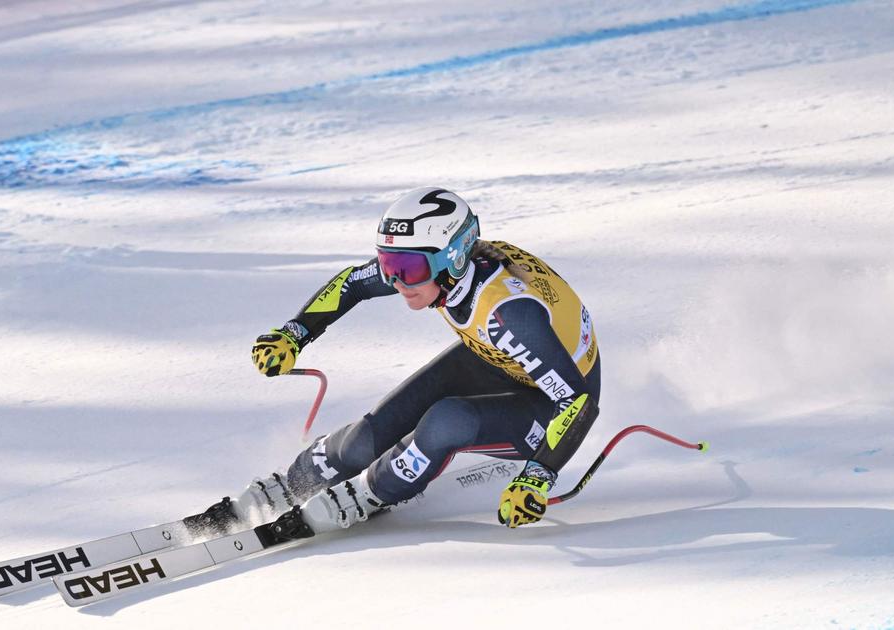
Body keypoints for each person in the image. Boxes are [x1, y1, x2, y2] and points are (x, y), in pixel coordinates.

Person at [200, 187, 600, 536]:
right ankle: (293, 483)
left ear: (453, 258)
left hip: (551, 399)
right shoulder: (447, 270)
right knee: (364, 441)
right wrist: (294, 334)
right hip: (497, 358)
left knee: (447, 421)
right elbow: (353, 283)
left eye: (408, 269)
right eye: (389, 265)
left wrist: (536, 478)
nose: (396, 282)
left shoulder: (508, 314)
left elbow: (577, 402)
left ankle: (372, 492)